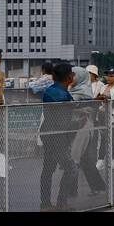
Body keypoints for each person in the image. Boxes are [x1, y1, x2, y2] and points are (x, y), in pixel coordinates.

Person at [38, 63, 78, 210]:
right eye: (72, 74)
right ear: (68, 77)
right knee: (71, 169)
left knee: (48, 170)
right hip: (57, 137)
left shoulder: (52, 90)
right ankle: (62, 203)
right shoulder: (61, 95)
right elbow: (66, 118)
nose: (74, 76)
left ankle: (45, 204)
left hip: (49, 134)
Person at [67, 66, 106, 196]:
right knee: (85, 159)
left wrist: (68, 86)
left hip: (82, 128)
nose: (71, 77)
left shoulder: (82, 90)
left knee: (74, 158)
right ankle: (98, 186)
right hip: (78, 127)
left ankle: (71, 190)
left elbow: (69, 103)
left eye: (73, 75)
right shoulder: (78, 89)